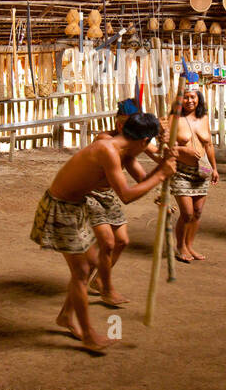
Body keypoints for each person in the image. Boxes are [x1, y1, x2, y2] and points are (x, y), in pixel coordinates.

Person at [30, 112, 174, 353]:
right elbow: (127, 196)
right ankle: (87, 334)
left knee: (89, 265)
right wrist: (161, 173)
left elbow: (143, 180)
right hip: (61, 208)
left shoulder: (118, 149)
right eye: (148, 144)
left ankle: (67, 315)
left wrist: (163, 165)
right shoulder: (107, 150)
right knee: (82, 271)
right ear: (141, 141)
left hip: (75, 207)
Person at [83, 98, 148, 305]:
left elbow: (140, 174)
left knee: (121, 241)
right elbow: (127, 194)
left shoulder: (128, 145)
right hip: (90, 193)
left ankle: (98, 280)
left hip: (108, 196)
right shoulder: (104, 140)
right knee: (108, 242)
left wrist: (161, 188)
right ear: (119, 124)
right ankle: (84, 284)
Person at [166, 81, 217, 263]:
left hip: (202, 170)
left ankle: (189, 245)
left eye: (192, 97)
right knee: (186, 213)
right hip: (181, 171)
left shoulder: (203, 118)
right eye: (185, 97)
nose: (189, 100)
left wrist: (214, 167)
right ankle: (180, 246)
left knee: (197, 212)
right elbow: (167, 147)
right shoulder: (174, 119)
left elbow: (208, 144)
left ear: (198, 99)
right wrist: (184, 151)